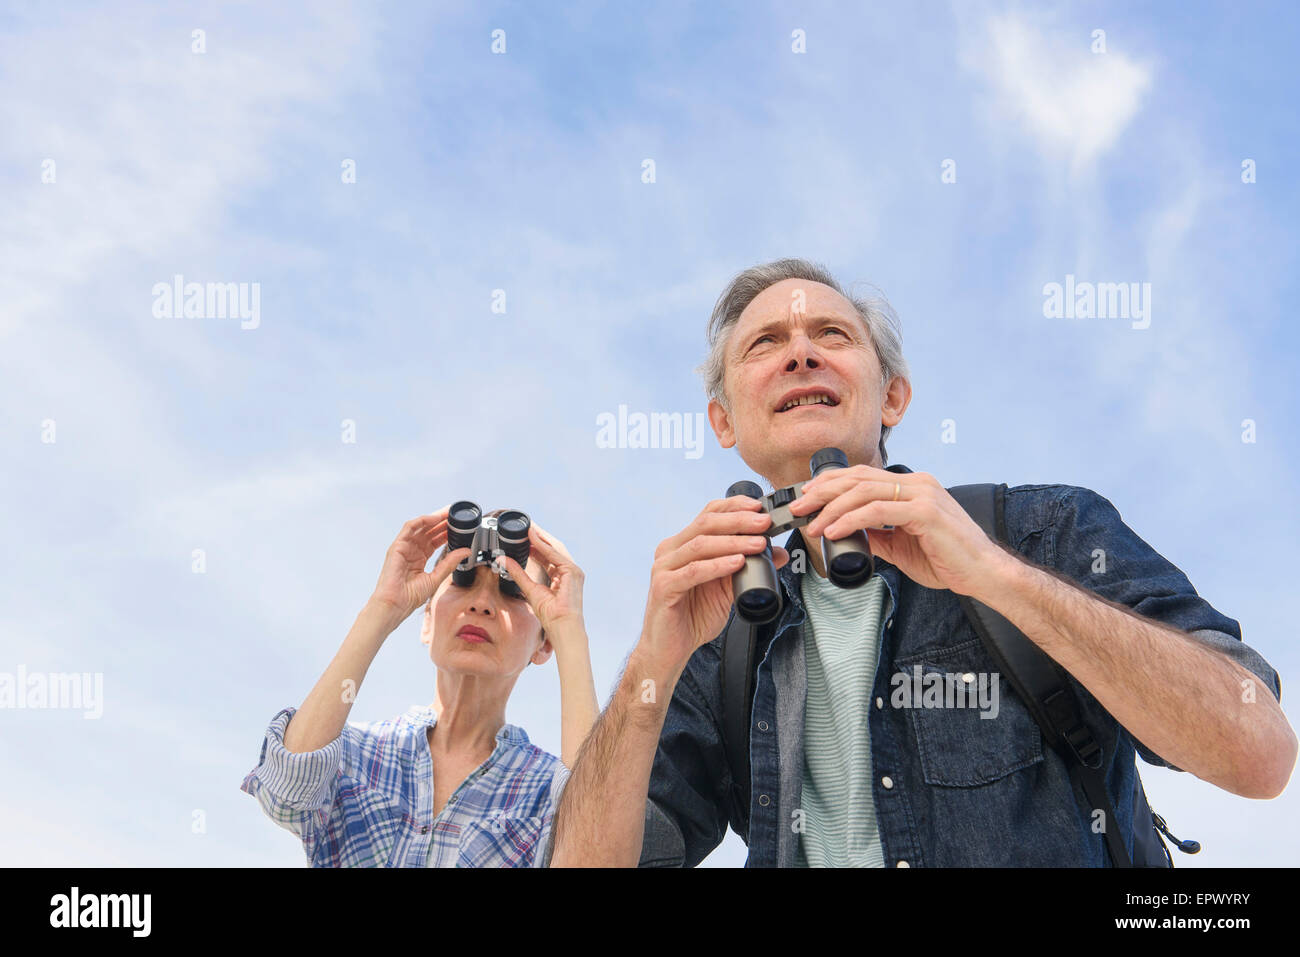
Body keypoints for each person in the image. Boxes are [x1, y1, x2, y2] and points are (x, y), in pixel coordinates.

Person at [550, 257, 1297, 867]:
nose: (801, 351)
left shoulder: (1044, 530)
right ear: (724, 421)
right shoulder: (720, 637)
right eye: (765, 343)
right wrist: (653, 662)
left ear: (894, 397)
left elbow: (1259, 753)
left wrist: (996, 575)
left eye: (832, 334)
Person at [241, 504, 598, 867]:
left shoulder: (547, 791)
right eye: (463, 578)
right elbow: (285, 790)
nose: (482, 604)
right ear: (425, 619)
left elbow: (597, 849)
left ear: (545, 643)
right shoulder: (355, 755)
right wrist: (383, 608)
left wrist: (569, 629)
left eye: (512, 591)